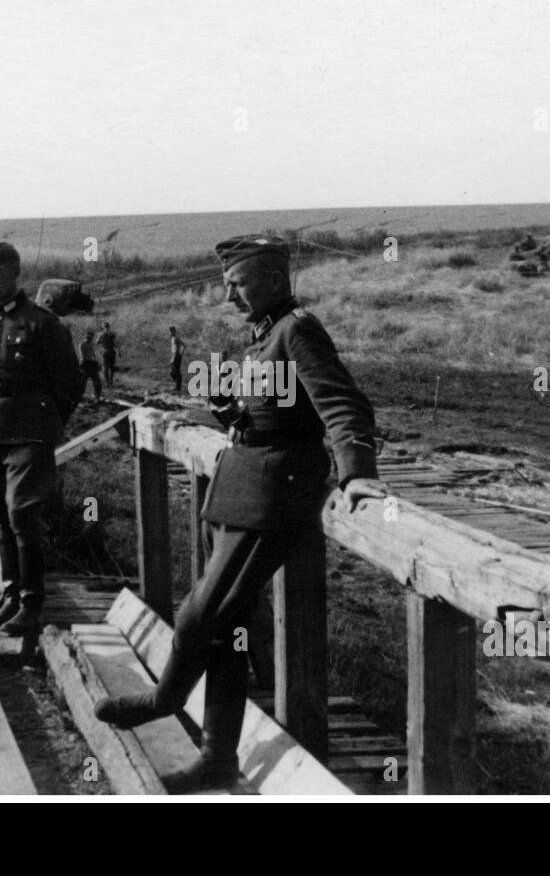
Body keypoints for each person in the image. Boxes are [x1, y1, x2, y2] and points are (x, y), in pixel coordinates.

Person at [94, 234, 390, 792]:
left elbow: (343, 404)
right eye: (227, 285)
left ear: (274, 280)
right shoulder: (264, 335)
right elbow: (272, 409)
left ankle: (164, 698)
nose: (230, 297)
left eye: (238, 284)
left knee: (197, 615)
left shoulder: (298, 328)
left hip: (274, 496)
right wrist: (226, 409)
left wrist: (356, 473)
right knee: (228, 628)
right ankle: (218, 758)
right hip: (241, 488)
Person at [0, 242, 84, 649]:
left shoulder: (42, 323)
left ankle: (32, 604)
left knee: (22, 512)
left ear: (15, 273)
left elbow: (69, 382)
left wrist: (48, 424)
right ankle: (12, 595)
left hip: (29, 433)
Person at [79, 331, 103, 401]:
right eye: (89, 337)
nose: (90, 338)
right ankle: (79, 396)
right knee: (82, 383)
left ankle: (97, 396)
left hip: (92, 364)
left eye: (91, 337)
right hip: (86, 364)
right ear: (86, 337)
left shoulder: (91, 344)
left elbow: (97, 345)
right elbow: (84, 357)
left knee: (97, 382)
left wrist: (97, 362)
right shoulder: (82, 344)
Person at [97, 321, 118, 388]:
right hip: (112, 351)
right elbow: (115, 343)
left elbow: (97, 342)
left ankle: (107, 382)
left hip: (105, 352)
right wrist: (119, 351)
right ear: (109, 327)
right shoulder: (112, 334)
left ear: (103, 327)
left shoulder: (101, 334)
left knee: (105, 368)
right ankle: (110, 381)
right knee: (112, 368)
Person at [169, 325, 185, 392]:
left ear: (174, 331)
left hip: (176, 356)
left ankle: (178, 387)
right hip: (174, 355)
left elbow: (183, 345)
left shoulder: (176, 338)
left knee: (175, 371)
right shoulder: (172, 338)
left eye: (172, 331)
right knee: (173, 372)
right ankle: (177, 386)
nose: (171, 332)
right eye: (170, 331)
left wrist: (181, 353)